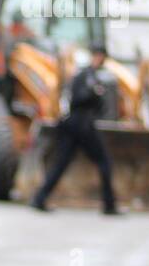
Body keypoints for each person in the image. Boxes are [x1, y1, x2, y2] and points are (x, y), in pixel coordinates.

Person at [30, 44, 120, 214]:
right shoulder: (85, 76)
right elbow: (78, 98)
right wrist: (94, 94)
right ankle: (109, 204)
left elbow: (100, 106)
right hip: (81, 125)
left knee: (63, 163)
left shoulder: (93, 76)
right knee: (103, 162)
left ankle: (40, 197)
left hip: (77, 124)